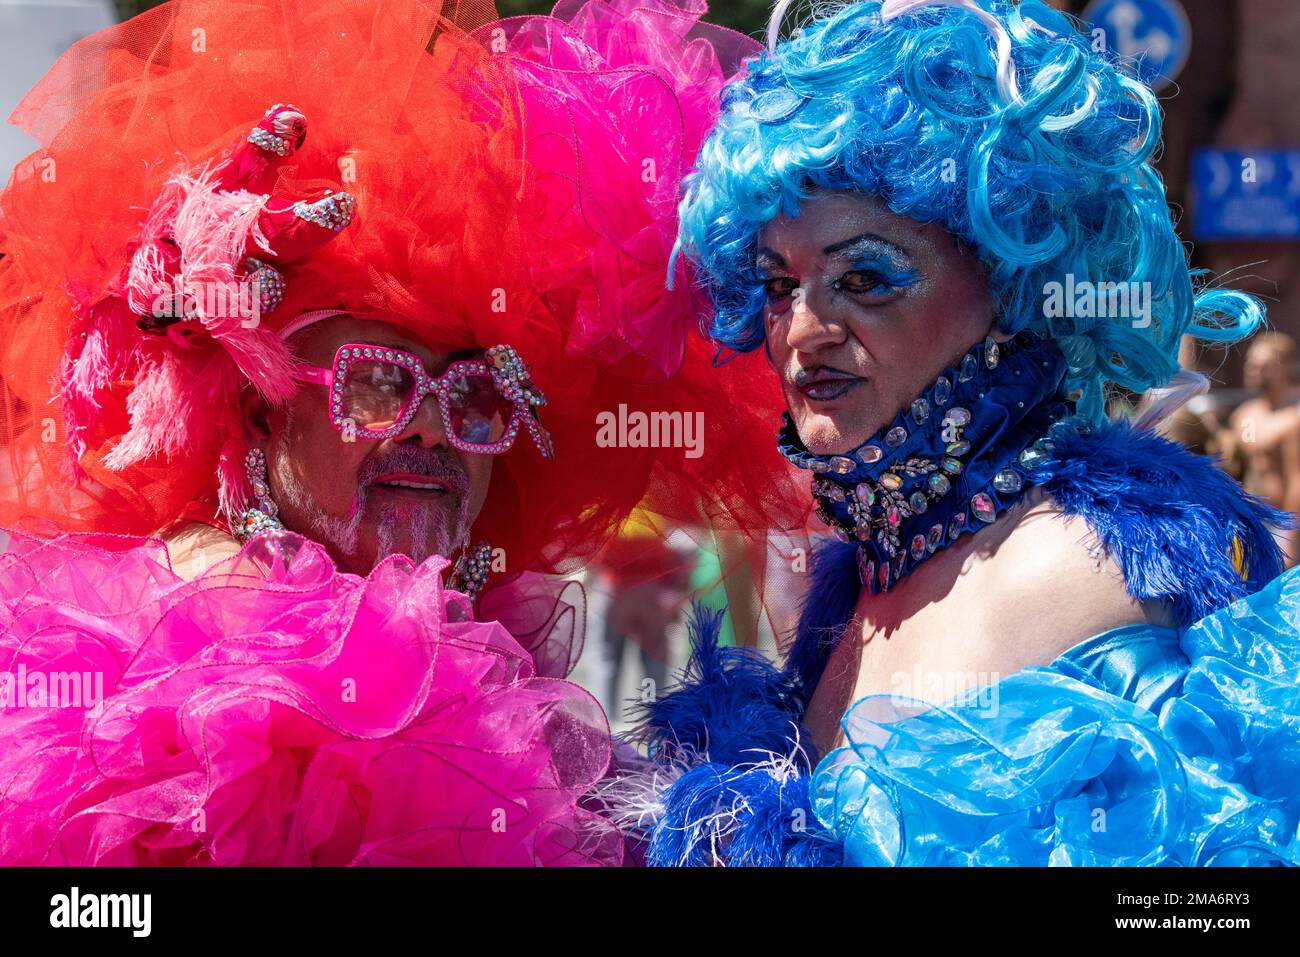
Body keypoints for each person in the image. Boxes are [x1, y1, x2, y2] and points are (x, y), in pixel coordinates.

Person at [0, 0, 780, 866]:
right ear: (259, 404)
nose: (436, 430)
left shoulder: (519, 705)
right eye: (379, 381)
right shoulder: (145, 703)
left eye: (477, 393)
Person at [606, 0, 1300, 866]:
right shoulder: (856, 582)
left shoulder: (1085, 562)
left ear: (1013, 282)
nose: (804, 329)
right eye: (781, 287)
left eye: (865, 275)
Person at [1221, 333, 1300, 565]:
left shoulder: (1293, 418)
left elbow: (1297, 481)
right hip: (1250, 523)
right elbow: (1238, 466)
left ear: (1284, 368)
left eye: (1263, 366)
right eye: (1251, 364)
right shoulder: (1246, 416)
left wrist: (1291, 538)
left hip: (1283, 526)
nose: (1253, 371)